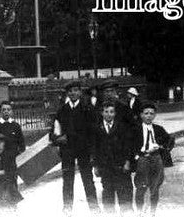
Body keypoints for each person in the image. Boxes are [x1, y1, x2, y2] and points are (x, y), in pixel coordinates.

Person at [52, 81, 99, 213]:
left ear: (80, 92)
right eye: (70, 91)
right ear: (67, 93)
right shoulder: (62, 110)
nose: (73, 93)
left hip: (84, 150)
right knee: (67, 180)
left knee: (88, 180)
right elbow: (55, 130)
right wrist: (57, 139)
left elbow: (93, 131)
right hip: (67, 150)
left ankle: (94, 209)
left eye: (75, 90)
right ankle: (67, 209)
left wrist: (92, 151)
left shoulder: (87, 108)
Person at [91, 102, 135, 212]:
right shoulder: (97, 128)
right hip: (105, 167)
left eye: (111, 112)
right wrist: (95, 165)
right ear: (102, 113)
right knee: (108, 193)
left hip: (120, 166)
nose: (109, 114)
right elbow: (94, 148)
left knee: (123, 193)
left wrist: (127, 161)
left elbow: (128, 145)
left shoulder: (122, 127)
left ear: (115, 113)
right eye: (106, 112)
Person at [132, 103, 174, 215]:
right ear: (141, 115)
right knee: (141, 187)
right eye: (146, 113)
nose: (149, 116)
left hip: (156, 159)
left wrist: (163, 149)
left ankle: (152, 212)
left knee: (155, 187)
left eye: (151, 113)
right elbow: (130, 145)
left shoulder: (159, 129)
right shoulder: (135, 129)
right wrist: (137, 157)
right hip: (142, 159)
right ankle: (140, 212)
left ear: (155, 115)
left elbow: (170, 140)